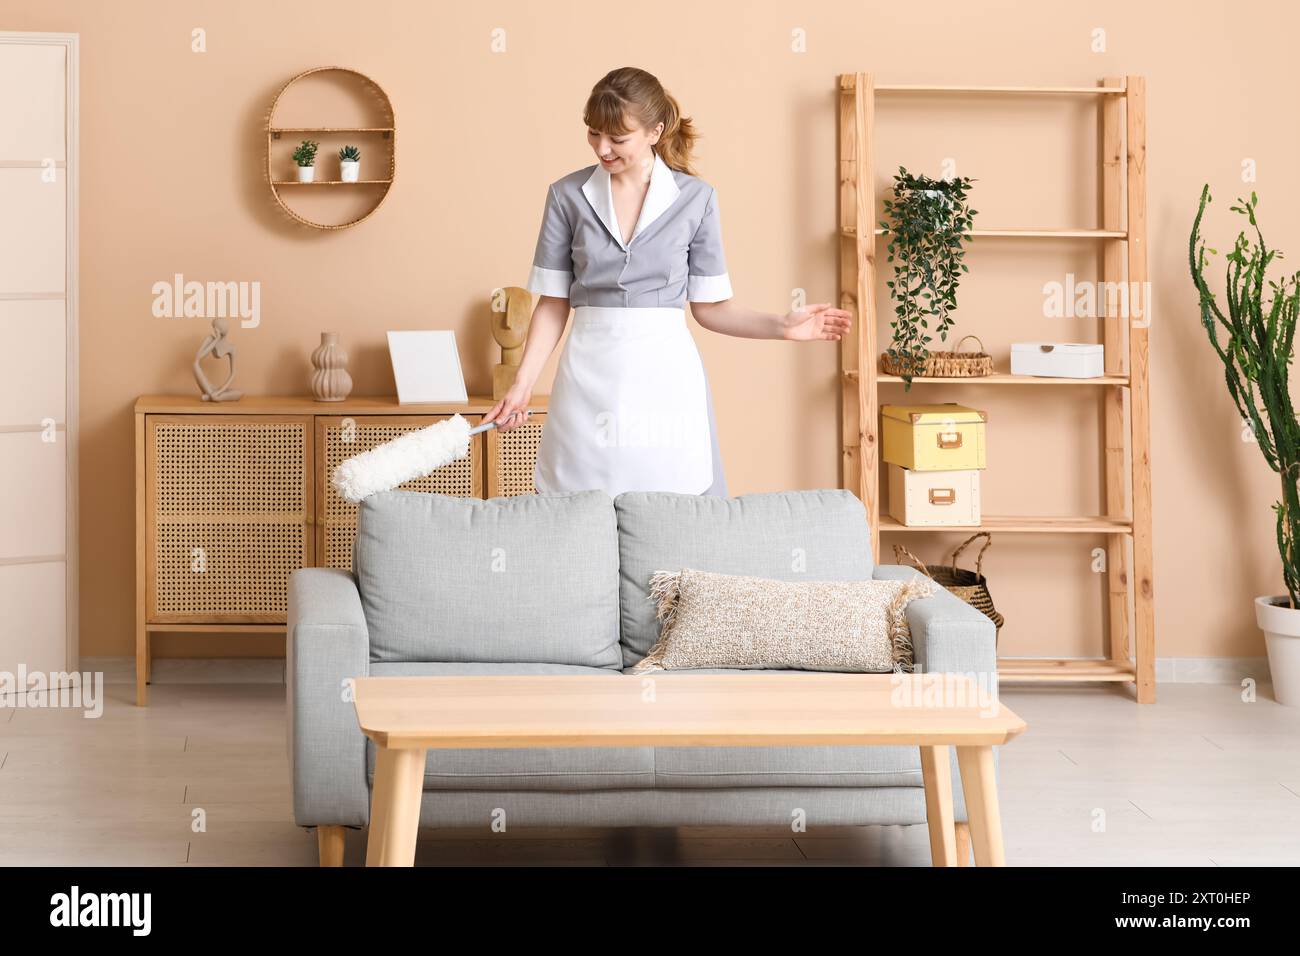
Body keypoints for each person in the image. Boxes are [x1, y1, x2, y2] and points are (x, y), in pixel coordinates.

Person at [482, 66, 850, 497]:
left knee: (672, 506)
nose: (602, 148)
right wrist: (523, 384)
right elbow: (553, 302)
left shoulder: (696, 199)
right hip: (587, 372)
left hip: (665, 377)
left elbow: (711, 309)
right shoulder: (566, 195)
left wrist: (783, 327)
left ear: (655, 131)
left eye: (618, 138)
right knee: (580, 506)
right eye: (593, 133)